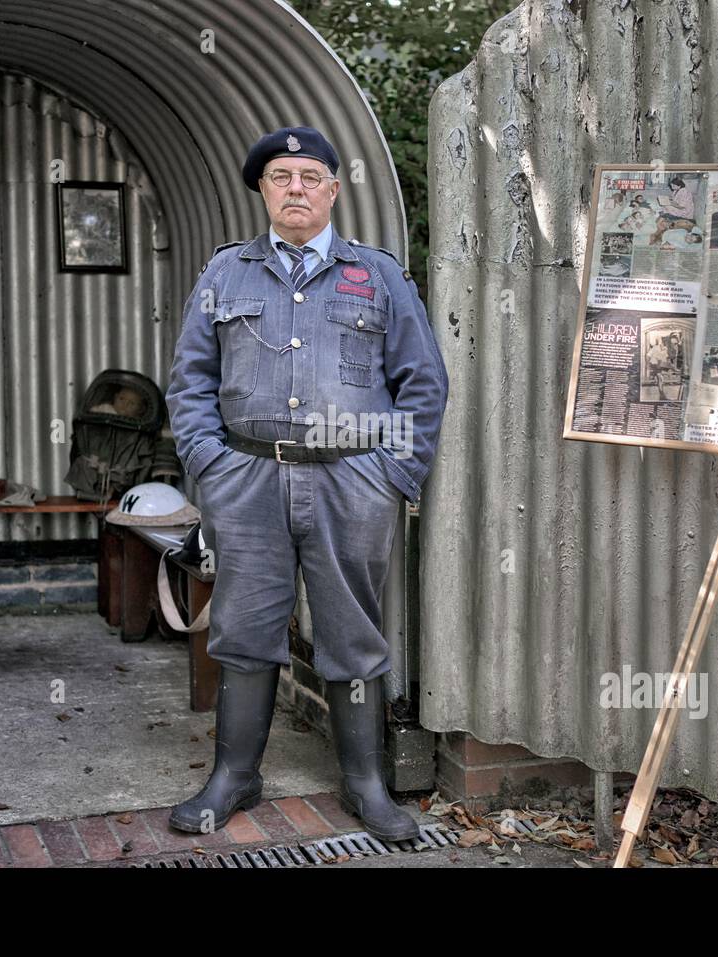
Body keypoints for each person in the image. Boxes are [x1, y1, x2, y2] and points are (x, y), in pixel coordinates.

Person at [165, 126, 449, 842]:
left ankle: (365, 784)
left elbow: (423, 383)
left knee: (353, 635)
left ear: (333, 189)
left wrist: (392, 474)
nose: (296, 187)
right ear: (263, 189)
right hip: (248, 479)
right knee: (244, 628)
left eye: (310, 176)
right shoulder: (226, 274)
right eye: (281, 175)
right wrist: (211, 467)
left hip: (352, 481)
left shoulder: (377, 275)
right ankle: (235, 774)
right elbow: (190, 380)